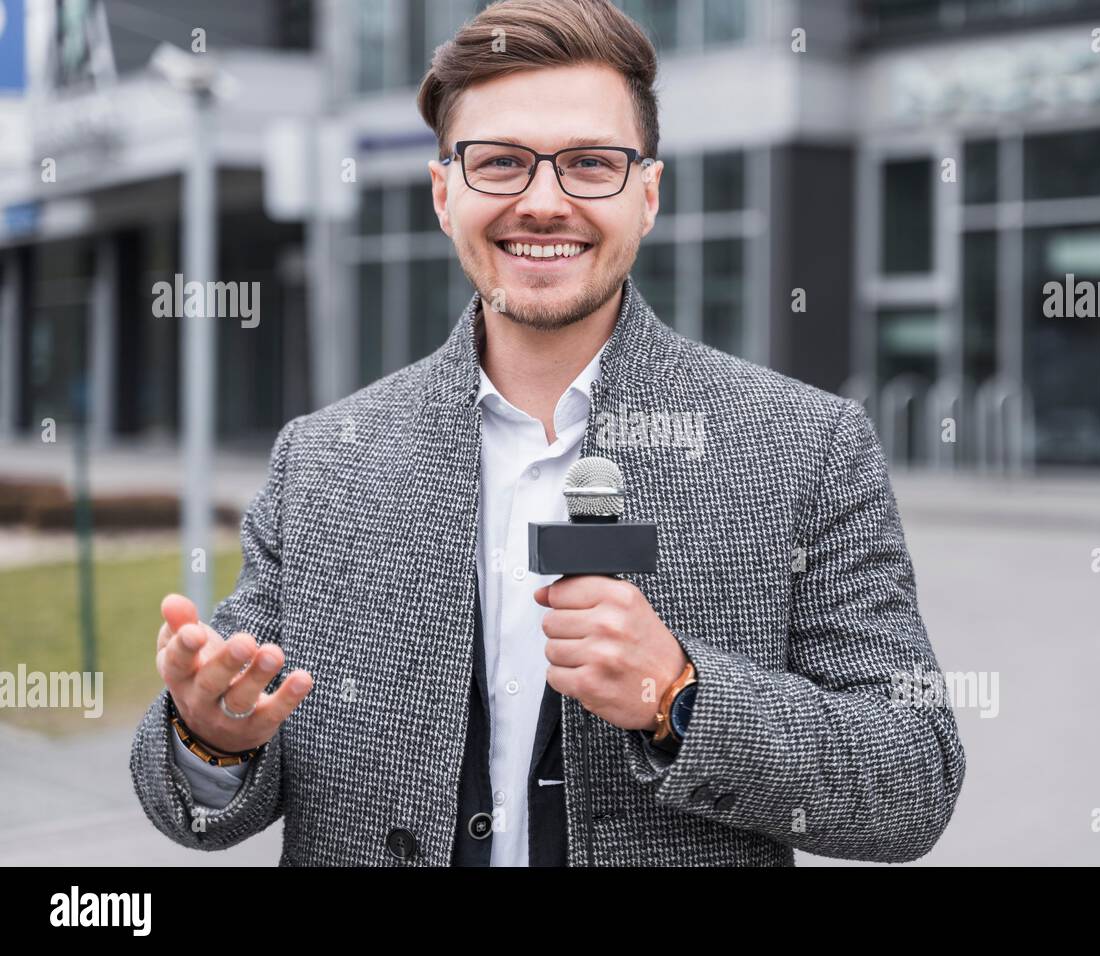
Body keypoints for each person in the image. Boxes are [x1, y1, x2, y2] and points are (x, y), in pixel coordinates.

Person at [131, 0, 965, 867]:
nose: (542, 201)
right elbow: (206, 804)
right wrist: (212, 738)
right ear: (443, 192)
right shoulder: (321, 460)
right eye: (499, 164)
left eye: (590, 164)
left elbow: (912, 780)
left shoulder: (806, 447)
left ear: (647, 194)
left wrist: (680, 694)